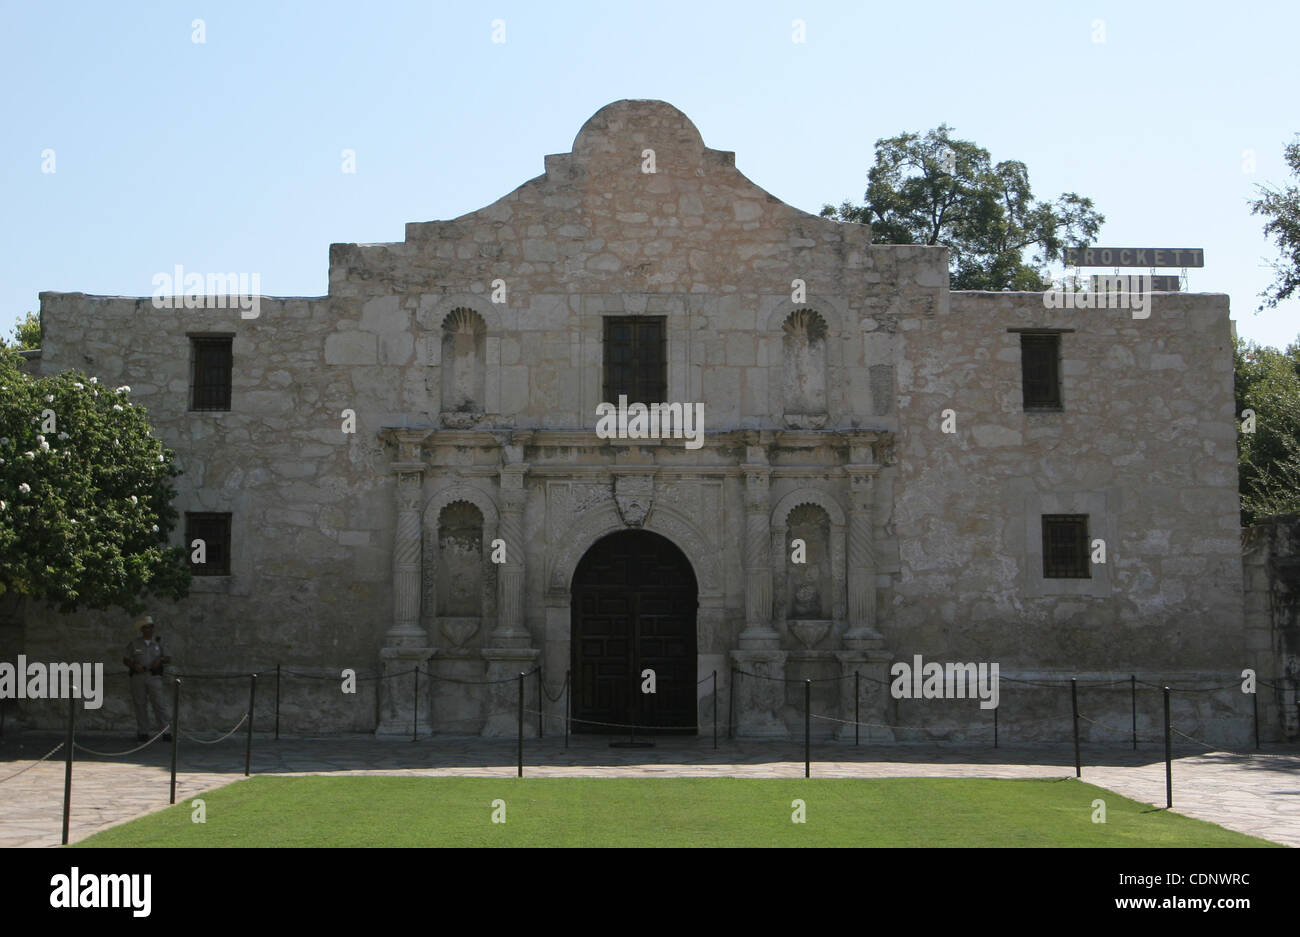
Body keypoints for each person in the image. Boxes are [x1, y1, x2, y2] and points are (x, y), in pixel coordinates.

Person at [122, 616, 172, 741]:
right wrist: (134, 665)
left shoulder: (159, 643)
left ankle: (166, 731)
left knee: (159, 704)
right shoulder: (135, 643)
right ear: (142, 629)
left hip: (154, 676)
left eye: (150, 627)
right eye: (145, 627)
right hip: (139, 676)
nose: (148, 630)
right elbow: (126, 659)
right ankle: (143, 731)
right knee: (140, 704)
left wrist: (160, 660)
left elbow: (168, 658)